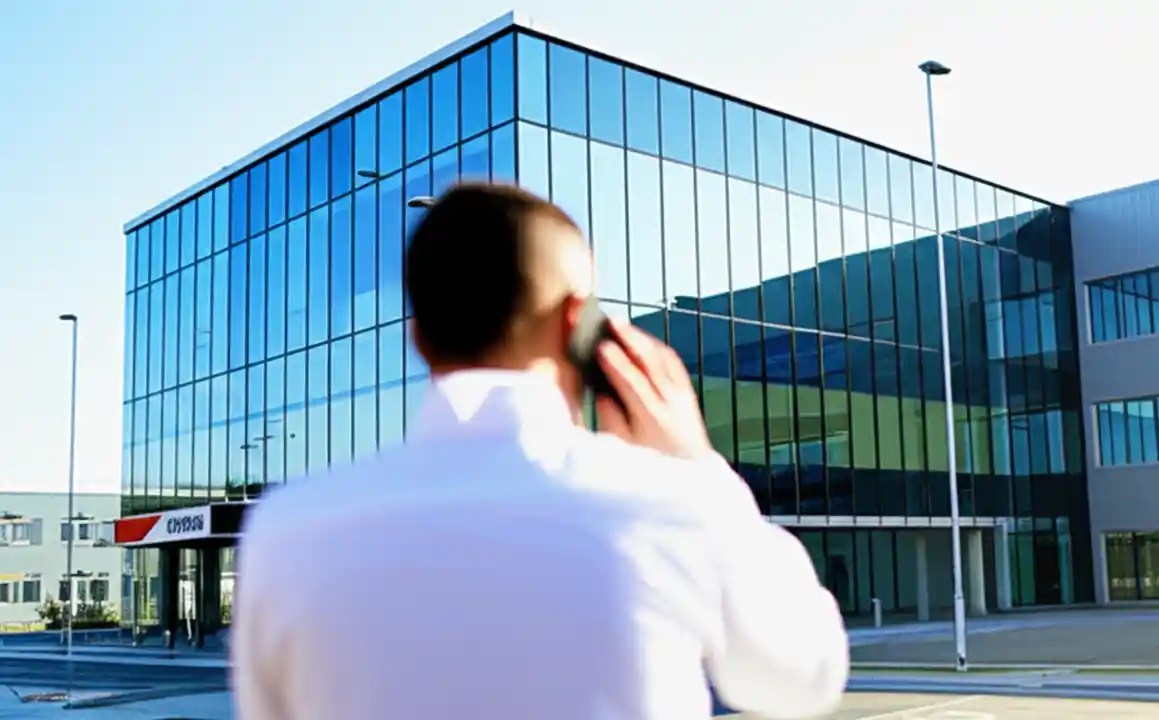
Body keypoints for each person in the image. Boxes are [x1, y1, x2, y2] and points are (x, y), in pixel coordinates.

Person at [232, 183, 849, 719]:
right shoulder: (671, 504)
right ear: (578, 321)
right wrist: (699, 466)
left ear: (418, 338)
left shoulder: (285, 532)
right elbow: (806, 676)